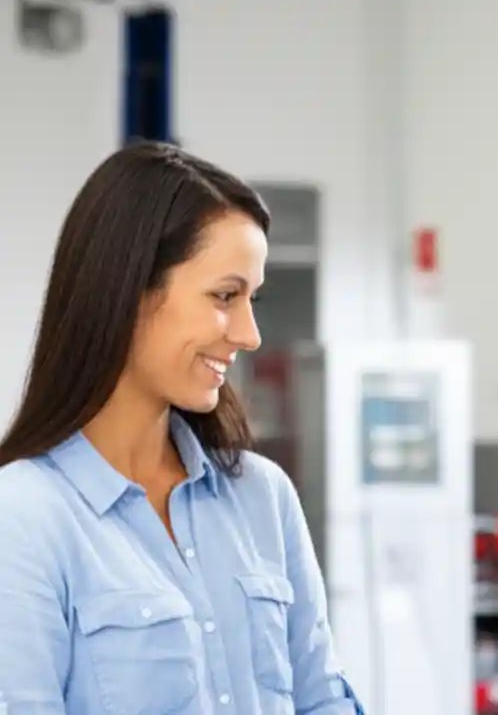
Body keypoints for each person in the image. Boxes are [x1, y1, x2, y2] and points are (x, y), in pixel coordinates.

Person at [0, 142, 364, 714]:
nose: (249, 334)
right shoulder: (23, 517)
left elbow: (321, 699)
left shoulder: (263, 497)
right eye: (225, 296)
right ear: (129, 292)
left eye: (253, 299)